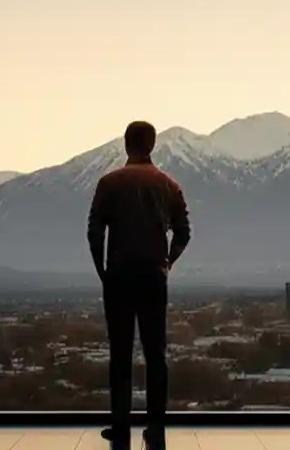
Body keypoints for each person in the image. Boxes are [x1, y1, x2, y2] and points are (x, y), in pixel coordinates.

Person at [87, 120, 191, 450]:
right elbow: (184, 232)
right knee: (155, 352)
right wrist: (168, 262)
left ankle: (120, 425)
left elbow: (94, 231)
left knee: (120, 353)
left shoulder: (109, 182)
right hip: (153, 277)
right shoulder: (169, 185)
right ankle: (155, 425)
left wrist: (102, 269)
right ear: (153, 145)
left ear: (125, 143)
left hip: (118, 275)